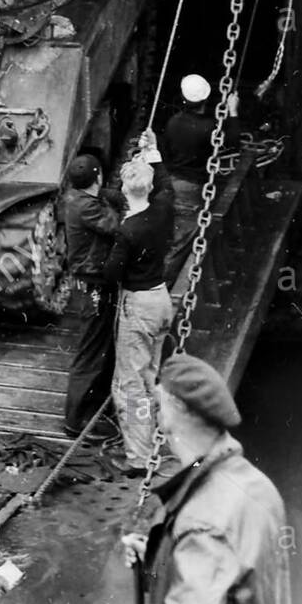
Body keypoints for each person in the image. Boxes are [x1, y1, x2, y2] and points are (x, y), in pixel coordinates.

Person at [121, 353, 294, 604]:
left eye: (160, 402)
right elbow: (233, 577)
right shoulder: (258, 486)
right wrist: (158, 553)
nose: (156, 411)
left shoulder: (203, 521)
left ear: (177, 409)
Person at [103, 136, 177, 475]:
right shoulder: (162, 209)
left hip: (138, 306)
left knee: (130, 385)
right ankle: (154, 443)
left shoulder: (127, 231)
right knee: (149, 376)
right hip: (161, 299)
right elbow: (166, 184)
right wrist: (154, 151)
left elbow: (111, 274)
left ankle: (137, 458)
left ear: (123, 188)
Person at [60, 154, 124, 439]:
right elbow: (116, 225)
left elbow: (107, 198)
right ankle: (75, 421)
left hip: (93, 285)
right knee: (90, 352)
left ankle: (93, 410)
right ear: (97, 178)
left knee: (100, 346)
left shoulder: (75, 198)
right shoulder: (88, 208)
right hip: (93, 288)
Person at [160, 75, 240, 285]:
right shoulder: (208, 128)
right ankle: (161, 286)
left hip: (170, 183)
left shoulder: (173, 122)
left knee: (171, 235)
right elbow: (233, 142)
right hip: (190, 189)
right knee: (182, 241)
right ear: (206, 99)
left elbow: (166, 151)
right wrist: (232, 111)